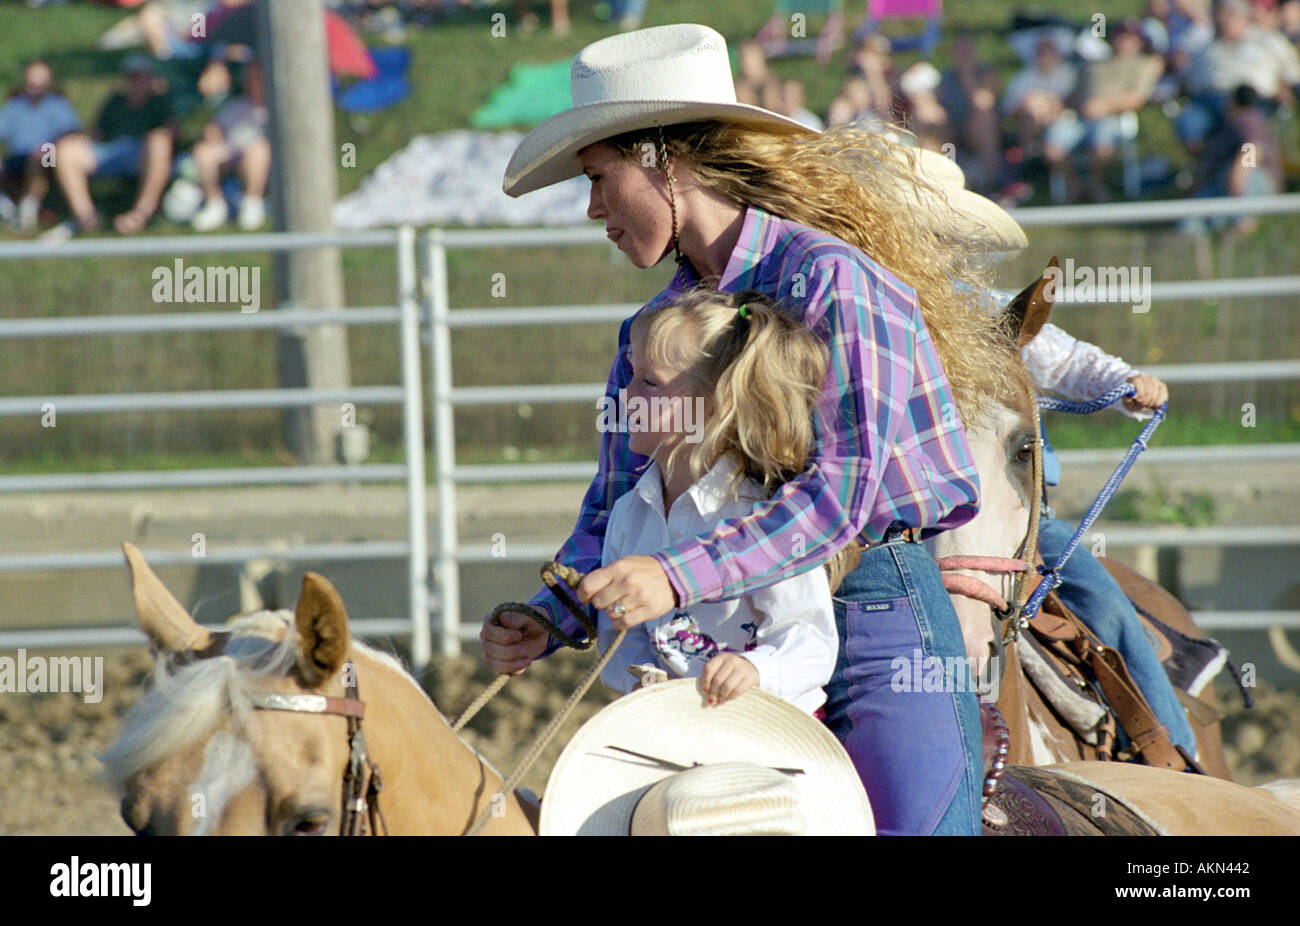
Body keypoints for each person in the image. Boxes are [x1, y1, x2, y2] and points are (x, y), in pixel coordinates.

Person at [482, 24, 1021, 836]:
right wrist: (554, 612)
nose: (593, 208)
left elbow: (845, 488)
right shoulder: (653, 326)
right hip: (710, 623)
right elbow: (613, 502)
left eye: (600, 177)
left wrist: (673, 577)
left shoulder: (838, 282)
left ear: (664, 161)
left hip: (874, 602)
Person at [596, 288, 837, 714]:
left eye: (648, 382)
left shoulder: (761, 515)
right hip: (673, 725)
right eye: (631, 375)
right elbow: (622, 642)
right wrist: (641, 683)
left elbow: (810, 639)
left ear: (714, 403)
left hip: (766, 723)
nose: (624, 394)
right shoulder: (629, 514)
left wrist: (756, 669)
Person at [1022, 325, 1199, 757]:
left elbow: (1067, 361)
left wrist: (1124, 384)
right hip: (911, 527)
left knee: (1103, 606)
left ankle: (1170, 753)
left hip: (1021, 520)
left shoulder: (989, 310)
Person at [47, 54, 175, 236]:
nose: (136, 81)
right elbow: (96, 134)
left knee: (159, 141)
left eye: (141, 76)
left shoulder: (160, 102)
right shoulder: (115, 101)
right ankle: (86, 217)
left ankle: (141, 214)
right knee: (64, 149)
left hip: (142, 152)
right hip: (110, 150)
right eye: (132, 76)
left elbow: (172, 133)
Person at [189, 58, 270, 231]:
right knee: (203, 152)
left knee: (257, 150)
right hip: (231, 149)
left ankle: (252, 203)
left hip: (260, 154)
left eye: (256, 78)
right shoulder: (236, 104)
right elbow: (216, 129)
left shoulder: (274, 108)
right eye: (249, 77)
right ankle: (214, 204)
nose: (252, 82)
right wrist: (211, 132)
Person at [0, 60, 81, 232]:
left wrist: (49, 146)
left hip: (49, 156)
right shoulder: (14, 105)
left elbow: (70, 133)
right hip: (18, 156)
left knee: (42, 154)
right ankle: (5, 205)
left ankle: (29, 205)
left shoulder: (58, 104)